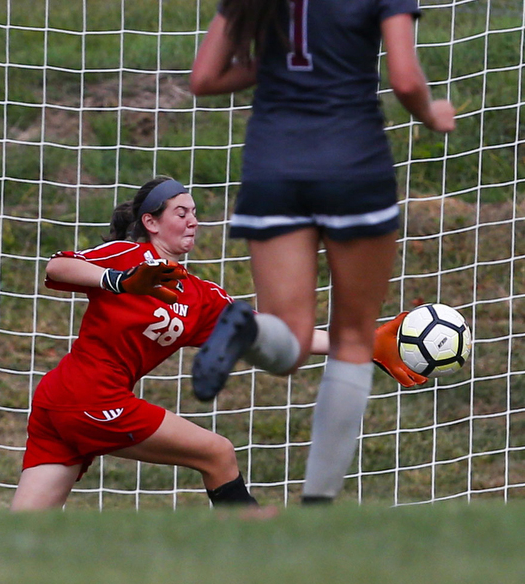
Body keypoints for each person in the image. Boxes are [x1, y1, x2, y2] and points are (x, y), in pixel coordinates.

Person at [188, 0, 454, 503]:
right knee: (353, 338)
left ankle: (246, 326)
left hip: (274, 162)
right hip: (354, 163)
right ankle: (317, 504)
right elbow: (405, 79)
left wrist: (267, 66)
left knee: (287, 341)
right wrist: (432, 113)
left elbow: (202, 78)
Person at [12, 177, 337, 511]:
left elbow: (269, 332)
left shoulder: (201, 296)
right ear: (151, 222)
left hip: (71, 401)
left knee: (21, 534)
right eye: (181, 213)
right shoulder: (129, 255)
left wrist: (360, 344)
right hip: (88, 395)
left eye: (194, 213)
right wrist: (120, 281)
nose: (193, 221)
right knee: (217, 453)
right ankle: (255, 548)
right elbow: (58, 265)